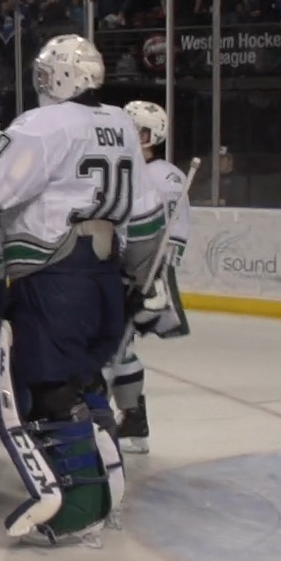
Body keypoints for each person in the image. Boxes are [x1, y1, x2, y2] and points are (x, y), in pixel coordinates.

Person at [0, 35, 165, 545]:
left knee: (50, 387)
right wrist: (142, 280)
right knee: (86, 379)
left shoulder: (42, 123)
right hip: (104, 271)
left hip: (54, 270)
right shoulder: (120, 122)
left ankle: (76, 505)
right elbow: (145, 214)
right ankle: (103, 490)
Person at [108, 102, 191, 453]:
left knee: (114, 348)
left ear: (146, 136)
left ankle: (131, 421)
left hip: (141, 274)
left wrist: (147, 279)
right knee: (120, 347)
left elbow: (160, 235)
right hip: (150, 274)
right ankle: (132, 420)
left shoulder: (147, 175)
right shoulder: (167, 173)